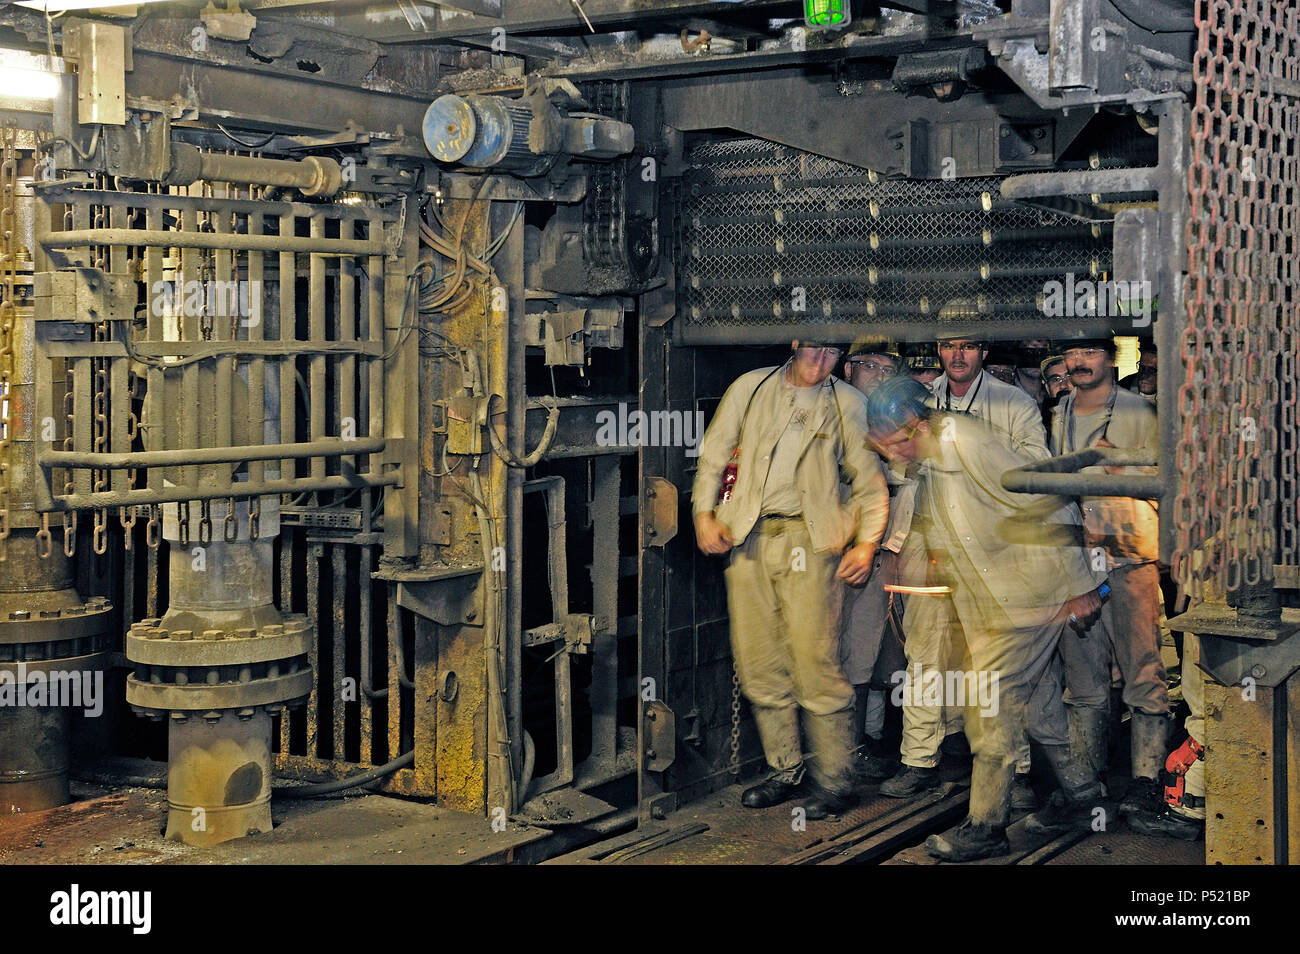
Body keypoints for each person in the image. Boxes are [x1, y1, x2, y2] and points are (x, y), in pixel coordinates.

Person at [866, 376, 1109, 861]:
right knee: (1040, 709)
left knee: (988, 710)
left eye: (894, 444)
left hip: (1029, 595)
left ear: (916, 426)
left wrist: (1081, 585)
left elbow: (1045, 496)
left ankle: (986, 825)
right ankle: (1084, 799)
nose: (892, 456)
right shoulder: (932, 461)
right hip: (997, 605)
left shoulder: (968, 442)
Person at [693, 342, 890, 819]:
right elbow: (714, 454)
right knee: (759, 660)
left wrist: (866, 544)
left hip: (811, 539)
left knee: (815, 661)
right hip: (748, 536)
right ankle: (785, 769)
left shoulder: (848, 403)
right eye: (815, 347)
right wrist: (703, 513)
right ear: (796, 343)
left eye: (833, 352)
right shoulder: (752, 386)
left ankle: (836, 779)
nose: (821, 360)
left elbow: (870, 483)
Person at [880, 317, 1050, 806]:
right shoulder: (920, 400)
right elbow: (895, 462)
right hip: (928, 538)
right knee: (924, 656)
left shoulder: (1011, 401)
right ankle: (918, 760)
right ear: (937, 349)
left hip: (989, 545)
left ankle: (1013, 771)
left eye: (968, 346)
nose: (958, 355)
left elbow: (1033, 467)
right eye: (949, 346)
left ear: (983, 349)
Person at [1048, 338, 1172, 823]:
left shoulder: (1142, 409)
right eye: (1071, 354)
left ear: (1110, 357)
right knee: (1082, 679)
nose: (1078, 363)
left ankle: (1145, 784)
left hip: (1130, 552)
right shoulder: (1059, 411)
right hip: (1076, 556)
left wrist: (1125, 466)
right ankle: (1087, 782)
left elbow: (1172, 477)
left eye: (1089, 352)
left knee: (1142, 669)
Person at [839, 336, 908, 783]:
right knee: (819, 650)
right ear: (848, 369)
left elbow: (906, 476)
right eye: (870, 367)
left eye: (887, 370)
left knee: (862, 651)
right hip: (821, 551)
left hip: (872, 552)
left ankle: (853, 749)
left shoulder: (892, 418)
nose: (879, 377)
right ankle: (819, 754)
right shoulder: (829, 407)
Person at [1118, 341, 1157, 406]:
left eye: (1152, 370)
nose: (1145, 374)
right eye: (1142, 368)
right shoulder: (1122, 389)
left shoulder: (1173, 396)